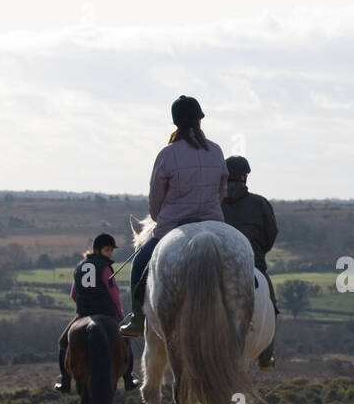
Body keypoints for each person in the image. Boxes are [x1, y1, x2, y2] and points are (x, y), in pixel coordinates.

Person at [119, 95, 228, 337]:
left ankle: (137, 318)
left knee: (139, 263)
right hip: (212, 221)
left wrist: (160, 219)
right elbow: (222, 190)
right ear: (200, 120)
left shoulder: (167, 154)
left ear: (176, 123)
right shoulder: (217, 150)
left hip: (173, 225)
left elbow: (155, 197)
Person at [54, 233, 139, 392]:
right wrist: (120, 314)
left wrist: (85, 307)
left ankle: (65, 381)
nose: (110, 253)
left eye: (111, 250)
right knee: (126, 339)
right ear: (98, 250)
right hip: (107, 314)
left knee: (63, 343)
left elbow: (73, 294)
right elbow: (114, 294)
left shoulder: (80, 266)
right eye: (107, 250)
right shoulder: (106, 268)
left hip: (83, 314)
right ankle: (128, 378)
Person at [220, 155, 279, 367]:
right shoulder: (260, 203)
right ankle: (266, 355)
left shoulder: (213, 203)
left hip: (216, 265)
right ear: (245, 176)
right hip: (251, 264)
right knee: (270, 302)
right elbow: (270, 236)